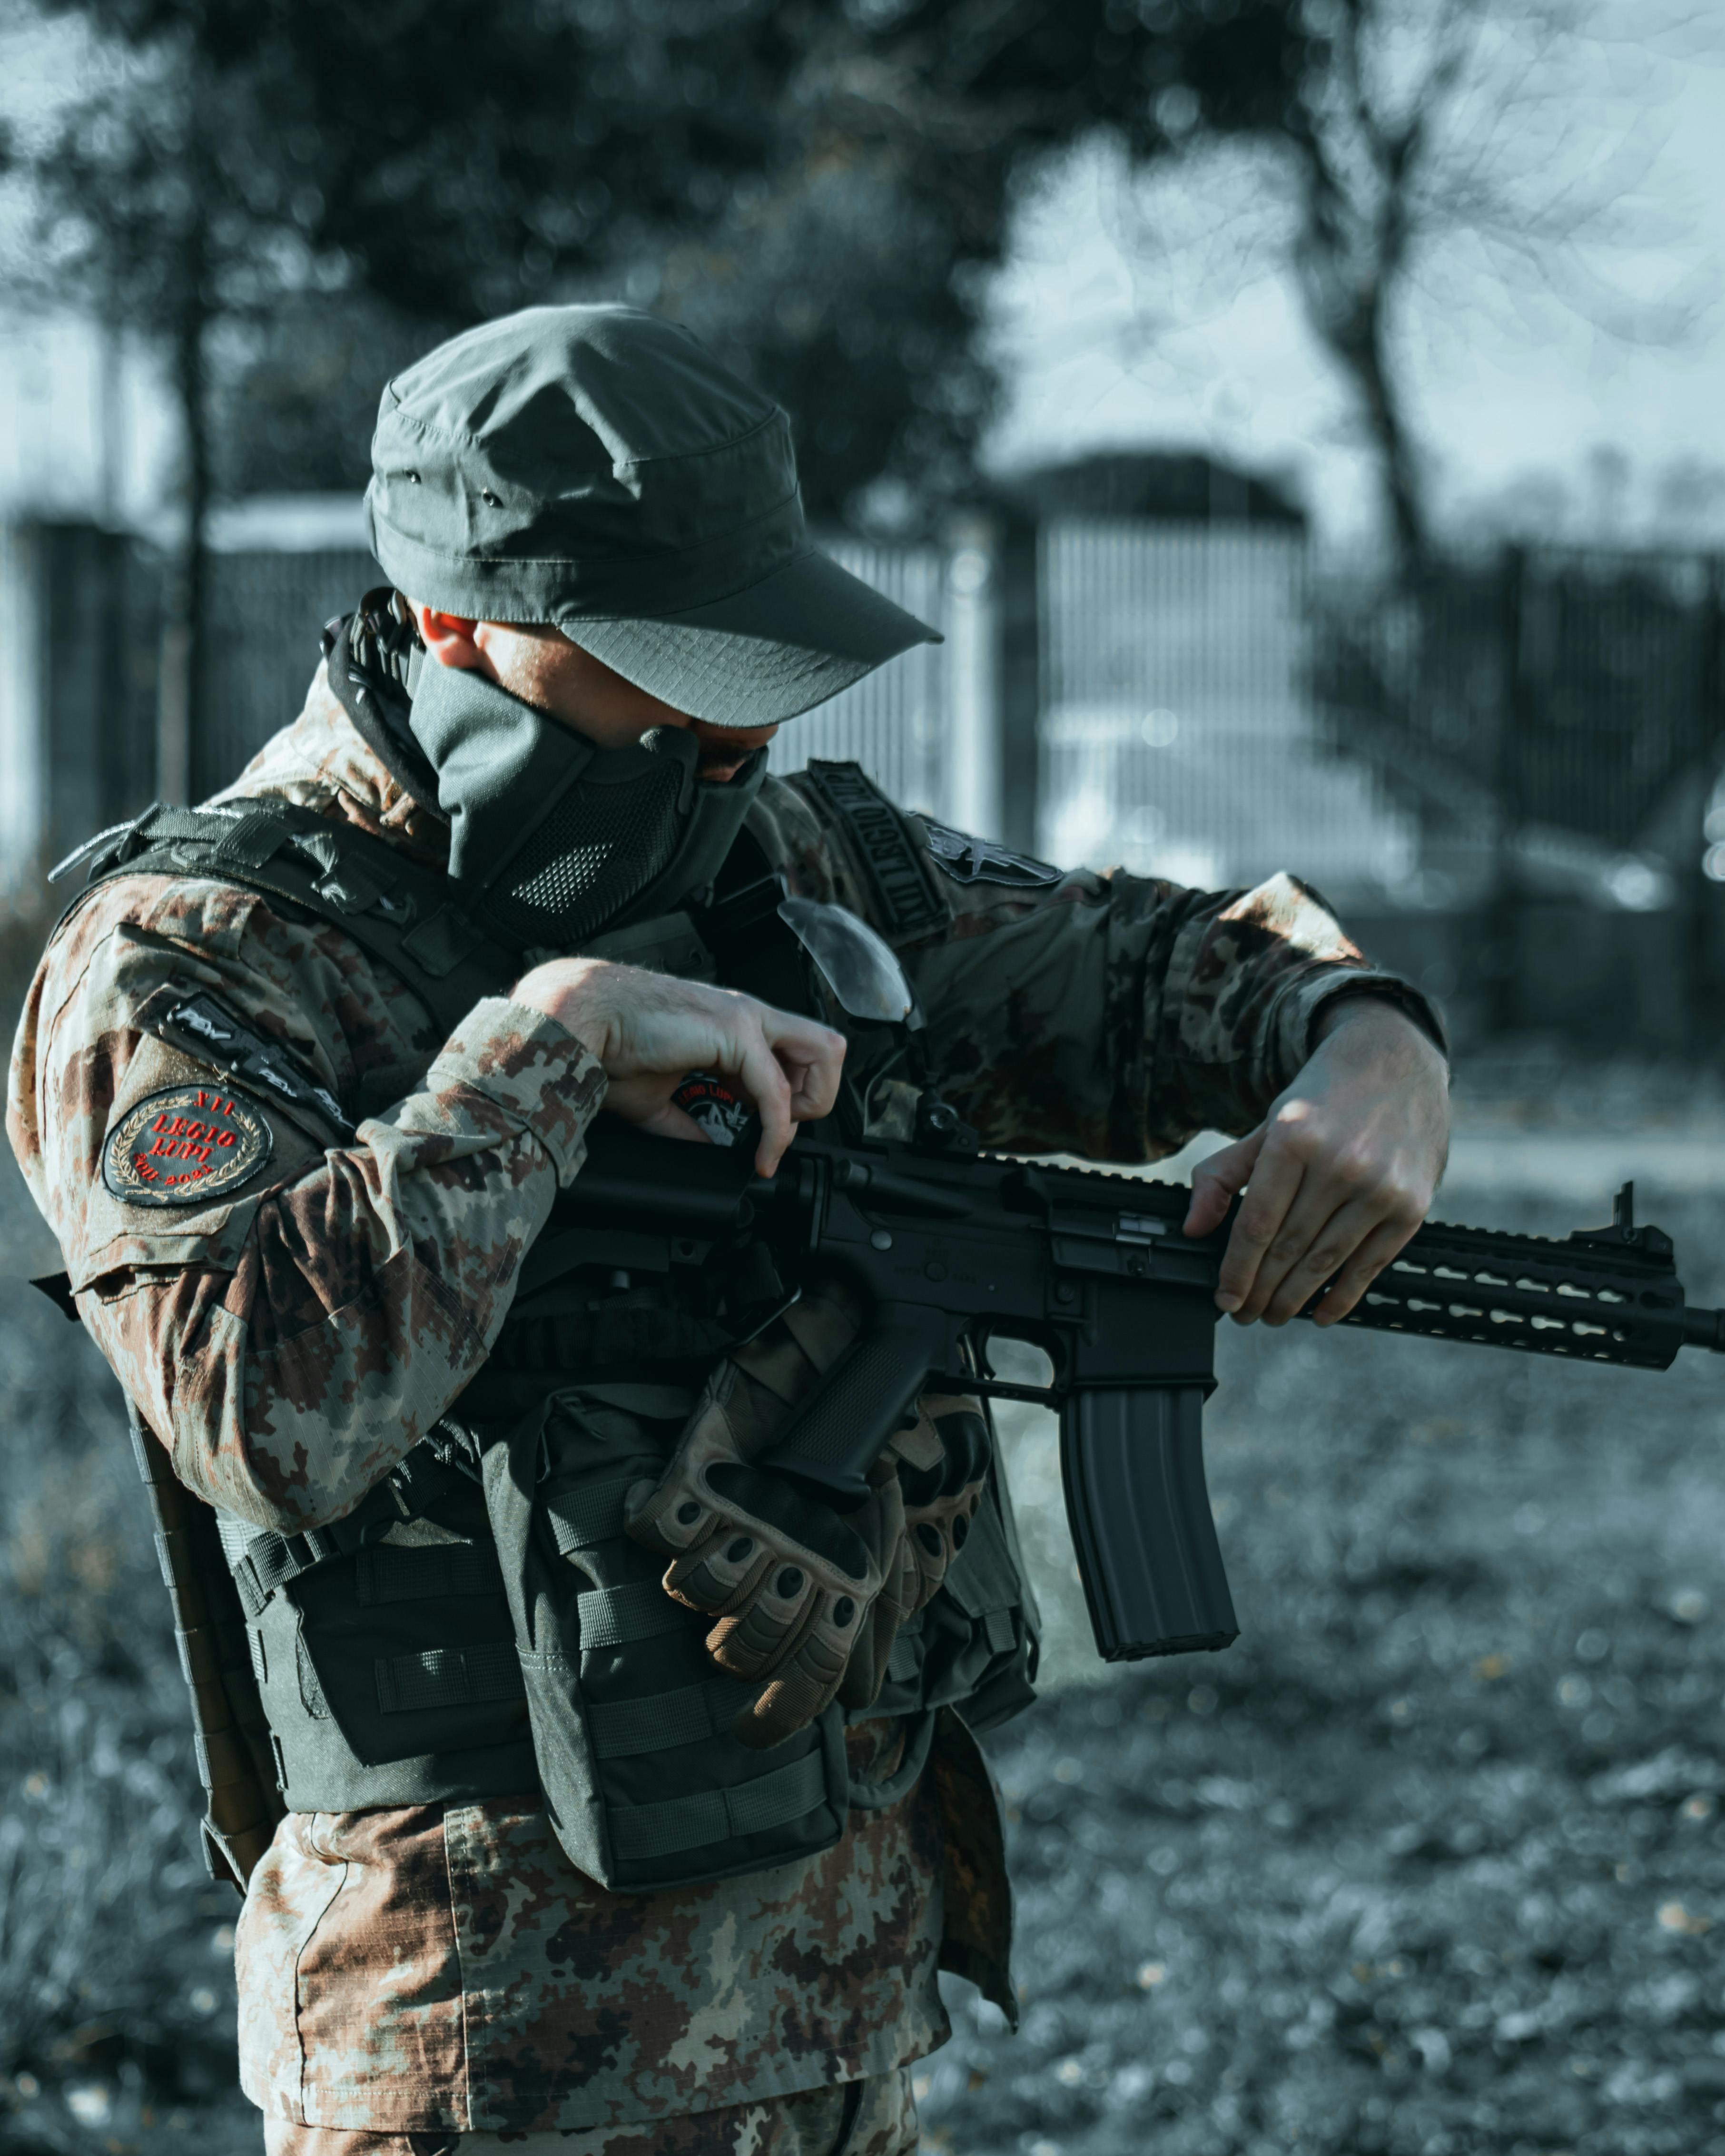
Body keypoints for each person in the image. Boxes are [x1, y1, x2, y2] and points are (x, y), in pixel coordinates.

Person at [7, 305, 1449, 2156]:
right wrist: (547, 1054)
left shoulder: (789, 858)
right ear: (455, 619)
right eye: (669, 676)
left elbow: (1147, 964)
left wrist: (1363, 1032)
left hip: (837, 1988)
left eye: (754, 672)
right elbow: (261, 1404)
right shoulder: (196, 960)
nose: (736, 733)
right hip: (481, 2048)